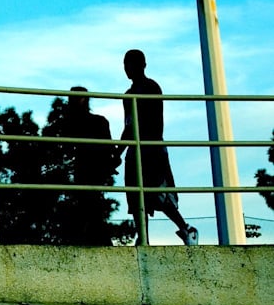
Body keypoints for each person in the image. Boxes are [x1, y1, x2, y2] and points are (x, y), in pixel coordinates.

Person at [117, 49, 196, 246]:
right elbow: (128, 126)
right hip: (136, 149)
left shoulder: (152, 87)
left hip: (152, 147)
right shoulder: (128, 95)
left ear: (143, 65)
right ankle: (144, 238)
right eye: (126, 64)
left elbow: (146, 122)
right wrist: (117, 152)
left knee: (159, 194)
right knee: (136, 195)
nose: (128, 68)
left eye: (132, 64)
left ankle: (186, 229)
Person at [42, 86, 119, 245]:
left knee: (88, 205)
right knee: (89, 205)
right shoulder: (76, 124)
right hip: (86, 170)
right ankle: (96, 238)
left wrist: (110, 161)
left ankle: (91, 237)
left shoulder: (93, 122)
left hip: (89, 170)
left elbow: (108, 151)